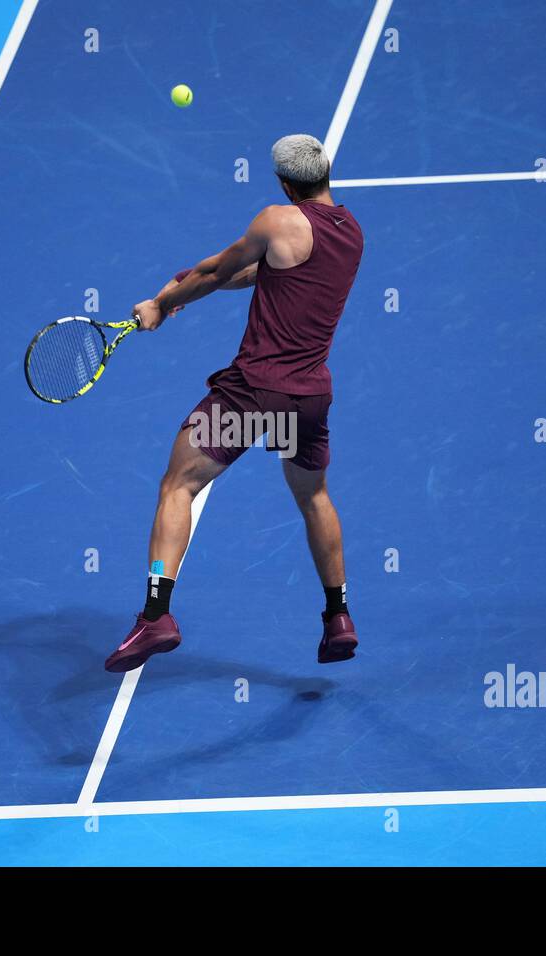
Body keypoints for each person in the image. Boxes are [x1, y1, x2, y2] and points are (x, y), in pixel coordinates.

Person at [104, 134, 364, 673]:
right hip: (306, 401)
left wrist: (161, 303)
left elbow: (219, 270)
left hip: (252, 395)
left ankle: (156, 615)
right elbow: (256, 274)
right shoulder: (352, 233)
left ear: (285, 184)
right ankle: (338, 617)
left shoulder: (277, 219)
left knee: (179, 484)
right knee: (313, 497)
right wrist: (189, 285)